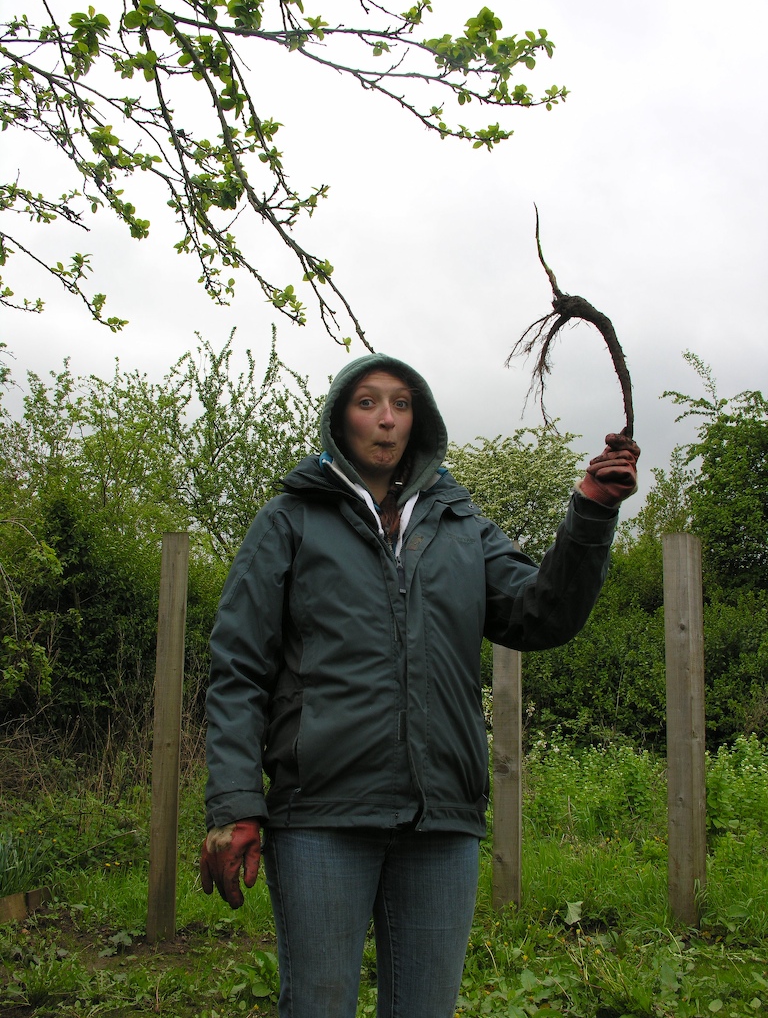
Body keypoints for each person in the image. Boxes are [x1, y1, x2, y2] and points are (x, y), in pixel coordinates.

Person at [200, 353, 640, 1018]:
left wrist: (592, 511)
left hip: (441, 819)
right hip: (321, 814)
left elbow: (541, 614)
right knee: (318, 1006)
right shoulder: (289, 521)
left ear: (418, 421)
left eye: (401, 404)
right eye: (368, 402)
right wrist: (235, 804)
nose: (386, 418)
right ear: (340, 419)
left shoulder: (462, 528)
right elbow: (238, 668)